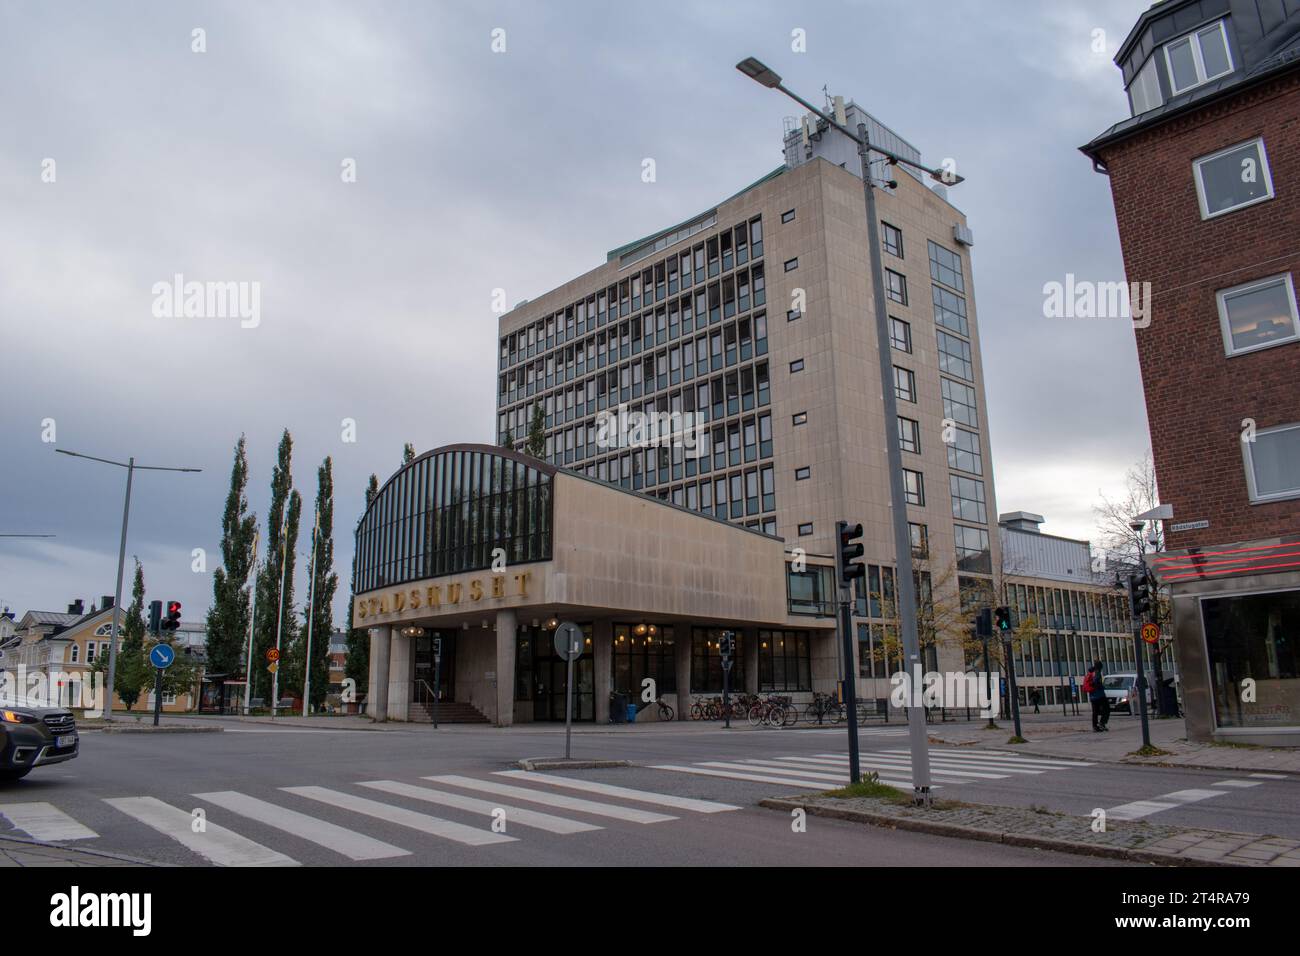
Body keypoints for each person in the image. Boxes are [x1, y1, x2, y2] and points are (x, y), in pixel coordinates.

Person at [1085, 661, 1109, 732]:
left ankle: (1095, 726)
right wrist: (1100, 686)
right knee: (1106, 709)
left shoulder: (1090, 672)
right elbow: (1095, 682)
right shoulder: (1097, 672)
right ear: (1100, 667)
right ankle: (1102, 723)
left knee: (1095, 712)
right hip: (1099, 695)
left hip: (1092, 696)